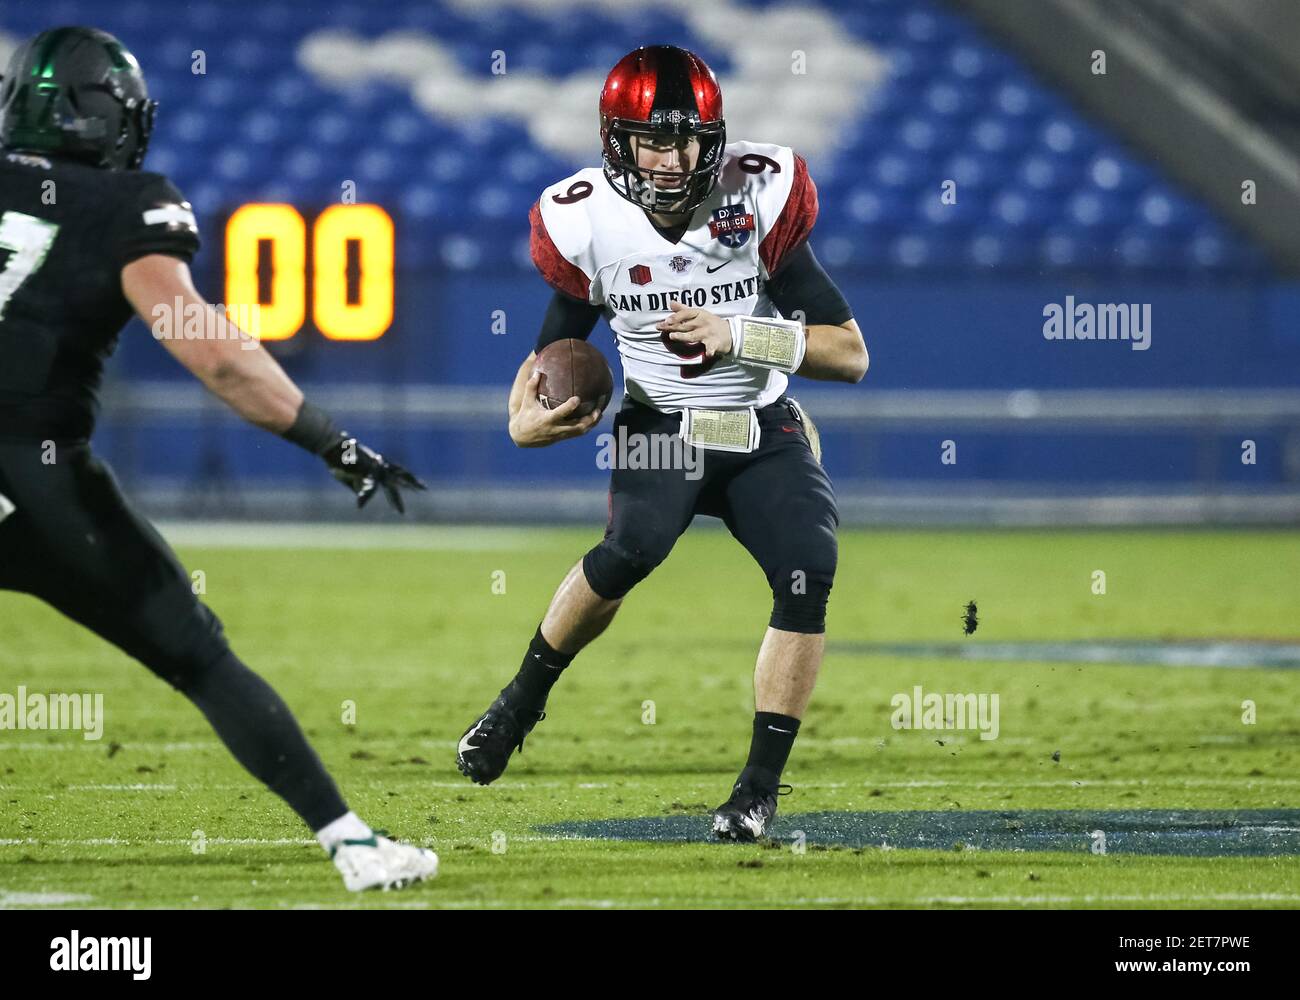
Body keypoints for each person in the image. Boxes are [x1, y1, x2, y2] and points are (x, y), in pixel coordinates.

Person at [0, 26, 434, 890]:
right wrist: (330, 441)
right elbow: (215, 352)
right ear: (105, 120)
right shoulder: (127, 206)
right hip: (32, 475)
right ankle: (351, 844)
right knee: (196, 655)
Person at [456, 45, 868, 841]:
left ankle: (757, 790)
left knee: (809, 570)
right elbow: (554, 349)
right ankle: (518, 703)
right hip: (662, 422)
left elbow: (850, 354)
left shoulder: (757, 199)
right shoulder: (585, 219)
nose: (673, 158)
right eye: (654, 139)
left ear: (713, 139)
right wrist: (521, 418)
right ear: (618, 142)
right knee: (631, 547)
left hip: (758, 427)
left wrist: (744, 333)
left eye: (687, 140)